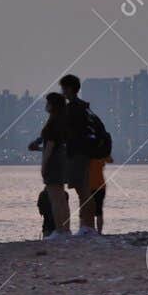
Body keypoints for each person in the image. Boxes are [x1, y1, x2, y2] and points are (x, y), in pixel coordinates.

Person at [59, 73, 104, 235]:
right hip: (85, 153)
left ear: (70, 88)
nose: (62, 91)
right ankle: (88, 226)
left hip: (77, 153)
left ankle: (87, 226)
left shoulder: (73, 108)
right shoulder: (84, 107)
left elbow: (67, 132)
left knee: (82, 190)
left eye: (63, 88)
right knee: (84, 189)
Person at [28, 92, 69, 237]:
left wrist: (43, 166)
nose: (46, 105)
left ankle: (58, 231)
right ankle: (66, 230)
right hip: (62, 162)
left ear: (52, 105)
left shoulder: (53, 123)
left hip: (53, 163)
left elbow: (50, 146)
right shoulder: (63, 121)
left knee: (55, 198)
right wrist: (40, 148)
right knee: (62, 198)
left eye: (48, 103)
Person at [88, 152, 110, 234]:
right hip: (100, 185)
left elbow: (110, 159)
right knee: (98, 210)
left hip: (92, 186)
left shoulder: (88, 156)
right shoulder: (101, 155)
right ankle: (98, 231)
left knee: (92, 209)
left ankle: (93, 229)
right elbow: (110, 160)